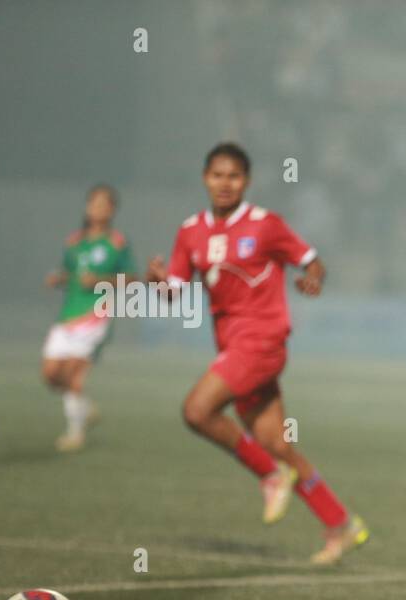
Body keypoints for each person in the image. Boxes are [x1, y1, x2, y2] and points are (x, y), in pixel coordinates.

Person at [146, 143, 366, 564]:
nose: (225, 183)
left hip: (263, 341)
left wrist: (313, 280)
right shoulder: (190, 230)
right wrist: (156, 281)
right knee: (277, 444)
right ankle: (341, 524)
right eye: (217, 175)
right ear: (205, 178)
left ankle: (268, 475)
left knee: (197, 411)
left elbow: (312, 260)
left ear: (245, 181)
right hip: (233, 347)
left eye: (233, 176)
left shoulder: (265, 225)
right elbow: (172, 292)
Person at [42, 185, 134, 452]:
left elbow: (130, 278)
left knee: (73, 376)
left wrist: (101, 280)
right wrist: (58, 278)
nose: (98, 209)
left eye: (105, 205)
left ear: (113, 210)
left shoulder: (117, 243)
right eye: (94, 203)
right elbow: (69, 273)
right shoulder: (73, 242)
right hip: (67, 315)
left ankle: (75, 432)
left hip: (96, 315)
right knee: (50, 375)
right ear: (87, 206)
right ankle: (84, 406)